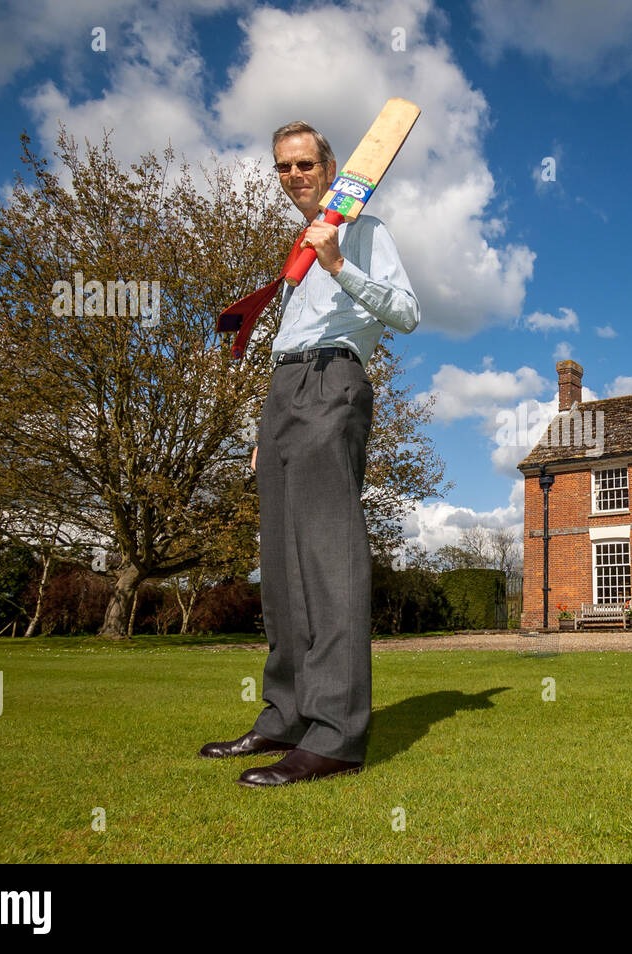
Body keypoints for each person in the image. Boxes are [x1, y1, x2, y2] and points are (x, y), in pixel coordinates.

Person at [199, 120, 420, 786]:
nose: (294, 175)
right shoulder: (296, 249)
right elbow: (285, 338)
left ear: (330, 166)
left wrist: (339, 265)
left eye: (304, 163)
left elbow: (406, 314)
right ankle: (284, 717)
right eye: (283, 167)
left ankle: (335, 734)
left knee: (327, 556)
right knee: (283, 564)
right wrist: (262, 436)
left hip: (333, 379)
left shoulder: (363, 231)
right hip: (284, 392)